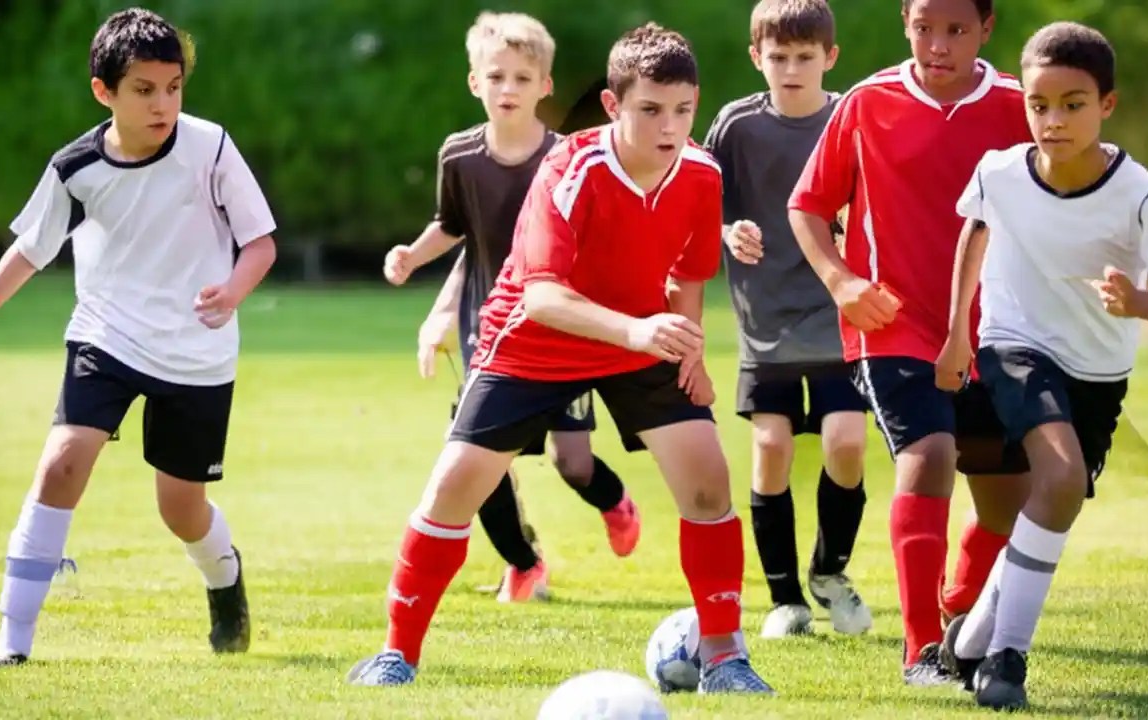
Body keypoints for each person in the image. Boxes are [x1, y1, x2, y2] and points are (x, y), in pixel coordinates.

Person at [347, 22, 773, 694]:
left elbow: (689, 275)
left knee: (707, 483)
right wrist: (639, 334)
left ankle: (725, 659)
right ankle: (396, 654)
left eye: (684, 110)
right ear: (613, 105)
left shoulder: (700, 173)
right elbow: (543, 297)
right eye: (651, 110)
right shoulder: (569, 169)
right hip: (533, 342)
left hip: (641, 337)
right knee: (454, 489)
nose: (670, 127)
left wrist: (690, 349)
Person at [0, 8, 277, 667]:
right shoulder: (76, 168)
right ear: (104, 91)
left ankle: (224, 579)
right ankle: (13, 639)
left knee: (180, 508)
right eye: (144, 90)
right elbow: (29, 251)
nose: (163, 104)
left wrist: (232, 290)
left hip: (197, 352)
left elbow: (259, 243)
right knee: (61, 462)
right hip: (107, 336)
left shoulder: (211, 147)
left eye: (173, 87)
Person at [936, 21, 1148, 710]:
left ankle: (966, 644)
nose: (1052, 120)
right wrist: (957, 337)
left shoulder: (1139, 194)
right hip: (1012, 346)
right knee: (1054, 477)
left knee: (1051, 503)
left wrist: (1135, 299)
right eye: (1038, 104)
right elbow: (977, 228)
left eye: (1073, 104)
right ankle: (1006, 662)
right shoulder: (999, 170)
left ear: (1106, 105)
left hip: (1097, 376)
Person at [787, 0, 1035, 685]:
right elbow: (807, 204)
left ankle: (959, 606)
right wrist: (841, 282)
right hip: (890, 322)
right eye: (924, 26)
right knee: (928, 454)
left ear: (987, 29)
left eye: (956, 29)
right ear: (905, 23)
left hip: (997, 328)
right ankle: (922, 646)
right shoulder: (868, 103)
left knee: (1007, 503)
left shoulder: (1022, 104)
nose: (937, 44)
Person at [381, 12, 640, 604]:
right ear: (475, 82)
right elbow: (453, 228)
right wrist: (411, 257)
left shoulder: (570, 158)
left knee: (573, 462)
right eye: (496, 76)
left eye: (523, 78)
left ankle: (614, 500)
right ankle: (524, 564)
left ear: (544, 86)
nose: (508, 89)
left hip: (561, 331)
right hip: (489, 335)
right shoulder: (460, 157)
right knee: (477, 462)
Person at [704, 0, 872, 640]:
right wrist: (727, 230)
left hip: (841, 316)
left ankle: (830, 572)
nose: (791, 68)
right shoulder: (736, 125)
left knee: (847, 444)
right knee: (771, 448)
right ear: (758, 58)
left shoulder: (852, 119)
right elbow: (700, 200)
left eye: (806, 57)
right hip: (764, 323)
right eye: (779, 57)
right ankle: (785, 600)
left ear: (831, 58)